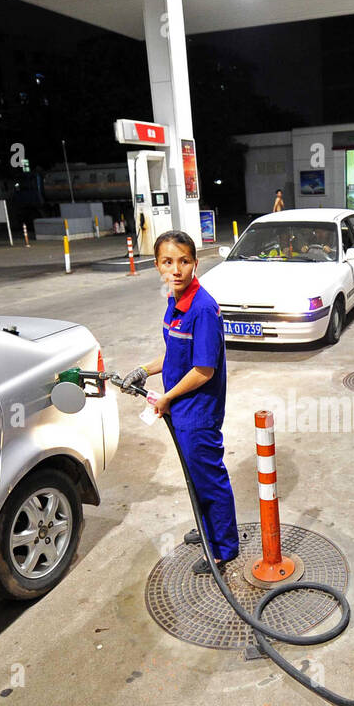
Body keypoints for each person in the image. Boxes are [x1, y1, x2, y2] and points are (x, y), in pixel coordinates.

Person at [124, 230, 239, 576]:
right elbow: (175, 353)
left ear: (195, 263)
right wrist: (144, 369)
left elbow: (204, 370)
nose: (176, 269)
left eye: (184, 261)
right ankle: (208, 529)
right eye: (167, 262)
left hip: (198, 410)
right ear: (157, 265)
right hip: (181, 407)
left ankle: (223, 548)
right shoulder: (176, 299)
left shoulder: (202, 308)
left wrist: (166, 398)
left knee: (208, 477)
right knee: (195, 475)